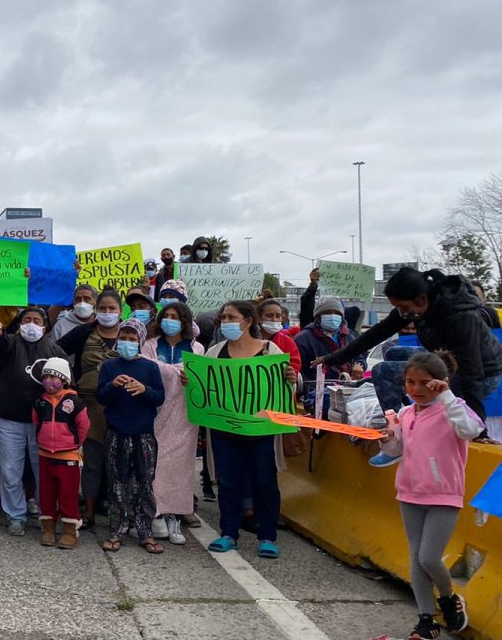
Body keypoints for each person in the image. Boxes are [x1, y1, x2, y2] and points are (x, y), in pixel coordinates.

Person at [377, 352, 481, 639]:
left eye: (425, 383)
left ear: (441, 383)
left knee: (429, 558)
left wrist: (448, 397)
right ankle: (426, 620)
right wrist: (389, 440)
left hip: (444, 495)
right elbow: (397, 451)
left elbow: (470, 430)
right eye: (411, 382)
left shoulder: (455, 409)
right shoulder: (407, 413)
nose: (417, 389)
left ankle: (448, 599)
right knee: (416, 558)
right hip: (409, 493)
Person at [317, 267, 502, 423]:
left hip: (483, 373)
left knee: (383, 371)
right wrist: (333, 358)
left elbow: (473, 369)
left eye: (403, 308)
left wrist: (477, 424)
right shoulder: (417, 306)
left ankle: (397, 428)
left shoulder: (460, 317)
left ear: (421, 300)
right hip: (448, 360)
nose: (402, 314)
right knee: (392, 352)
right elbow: (376, 333)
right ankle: (406, 412)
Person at [204, 301, 296, 558]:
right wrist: (192, 381)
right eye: (223, 317)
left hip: (261, 431)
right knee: (228, 481)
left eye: (232, 317)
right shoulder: (214, 352)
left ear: (248, 321)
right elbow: (203, 387)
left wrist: (292, 379)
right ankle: (228, 532)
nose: (226, 322)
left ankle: (267, 536)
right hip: (225, 430)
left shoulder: (269, 351)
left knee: (264, 482)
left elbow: (287, 389)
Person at [0, 307, 68, 536]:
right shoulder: (11, 342)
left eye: (36, 320)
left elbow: (65, 380)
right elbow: (0, 342)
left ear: (44, 326)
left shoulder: (54, 350)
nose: (31, 324)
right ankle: (16, 515)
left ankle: (47, 515)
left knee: (42, 469)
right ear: (20, 323)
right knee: (11, 468)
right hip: (8, 418)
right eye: (27, 320)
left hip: (42, 421)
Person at [97, 319, 166, 554]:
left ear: (140, 341)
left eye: (132, 338)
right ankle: (117, 530)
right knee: (117, 482)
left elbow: (159, 398)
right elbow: (101, 397)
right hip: (116, 433)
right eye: (123, 338)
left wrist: (144, 390)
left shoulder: (150, 367)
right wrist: (113, 386)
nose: (127, 342)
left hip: (143, 434)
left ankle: (145, 531)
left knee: (145, 482)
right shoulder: (109, 366)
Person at [57, 288, 123, 530]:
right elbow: (55, 350)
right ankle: (90, 512)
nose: (107, 313)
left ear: (120, 311)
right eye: (102, 309)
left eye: (111, 309)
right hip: (89, 406)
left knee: (120, 462)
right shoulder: (84, 332)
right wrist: (69, 382)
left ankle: (119, 513)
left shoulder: (130, 333)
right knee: (93, 461)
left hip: (123, 406)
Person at [141, 301, 203, 545]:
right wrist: (176, 371)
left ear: (185, 321)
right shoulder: (150, 345)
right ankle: (155, 512)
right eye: (165, 315)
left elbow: (204, 379)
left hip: (185, 417)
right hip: (155, 413)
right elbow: (146, 369)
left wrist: (191, 377)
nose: (169, 320)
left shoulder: (197, 349)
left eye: (175, 316)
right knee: (155, 464)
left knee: (180, 467)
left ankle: (175, 515)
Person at [32, 357, 89, 549]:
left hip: (68, 456)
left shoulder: (75, 401)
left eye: (54, 377)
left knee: (67, 494)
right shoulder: (40, 402)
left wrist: (74, 443)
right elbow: (36, 422)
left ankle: (69, 530)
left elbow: (83, 426)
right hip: (45, 454)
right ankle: (48, 528)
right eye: (46, 377)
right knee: (47, 493)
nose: (49, 380)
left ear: (64, 379)